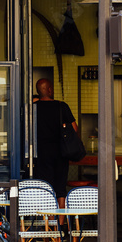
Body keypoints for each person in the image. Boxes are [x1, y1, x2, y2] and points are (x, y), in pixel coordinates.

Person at [32, 77, 77, 208]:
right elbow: (74, 129)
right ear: (50, 90)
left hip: (40, 154)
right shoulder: (61, 106)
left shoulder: (33, 108)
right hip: (60, 153)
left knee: (46, 187)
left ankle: (49, 223)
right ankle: (60, 224)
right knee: (60, 188)